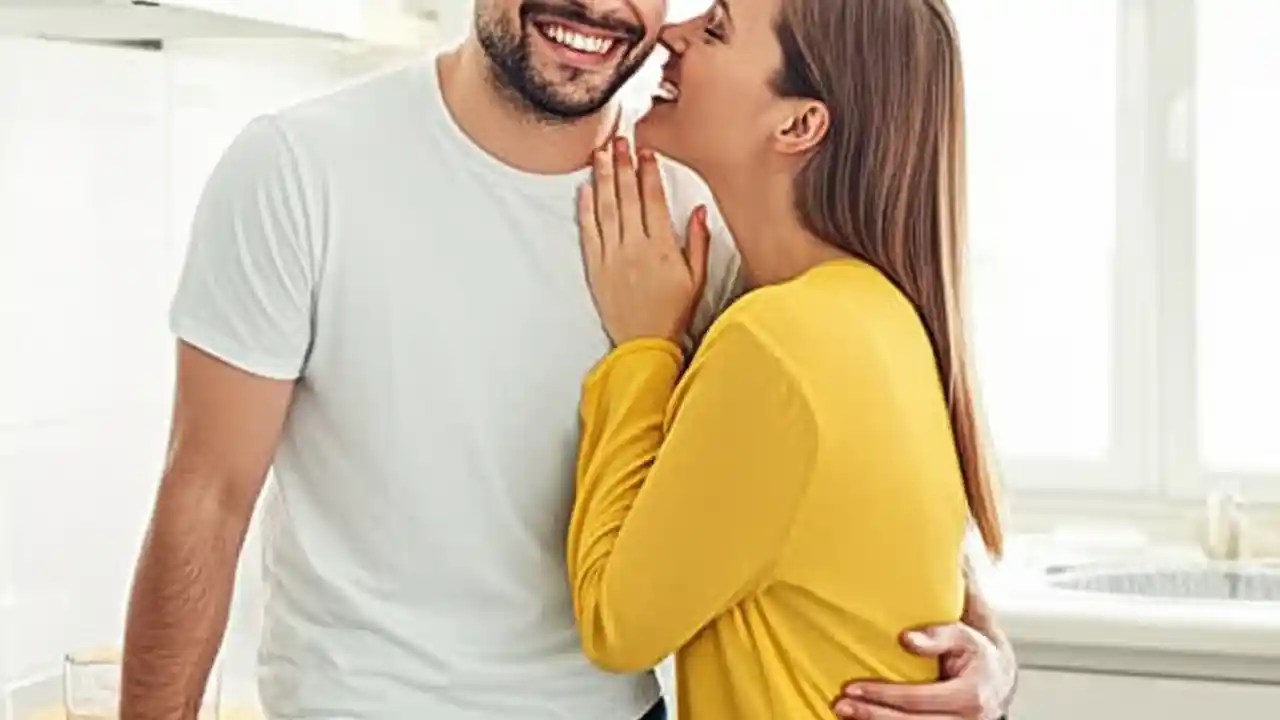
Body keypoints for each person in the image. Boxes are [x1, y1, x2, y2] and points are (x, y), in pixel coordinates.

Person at [119, 0, 1016, 715]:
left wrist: (980, 639)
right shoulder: (299, 168)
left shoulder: (704, 208)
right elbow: (205, 495)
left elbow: (830, 469)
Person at [567, 0, 1010, 718]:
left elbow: (617, 626)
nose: (670, 34)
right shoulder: (879, 313)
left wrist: (645, 349)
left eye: (714, 29)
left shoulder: (776, 341)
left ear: (799, 123)